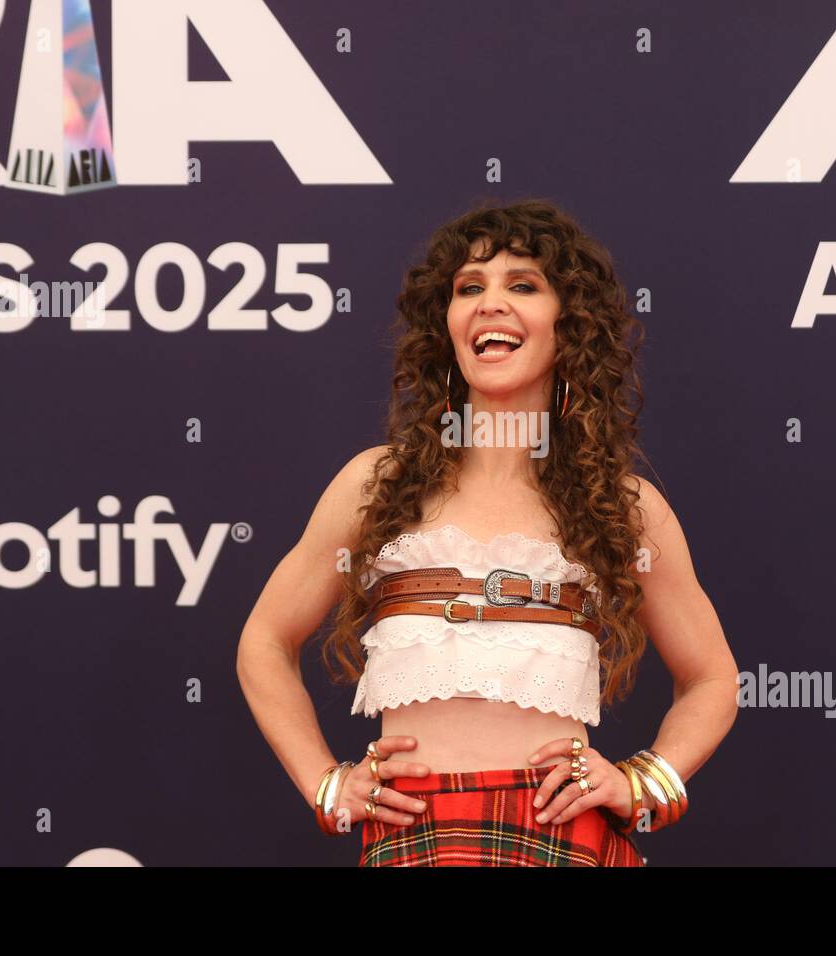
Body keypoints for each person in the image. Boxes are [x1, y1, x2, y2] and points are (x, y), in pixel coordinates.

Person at [236, 198, 738, 866]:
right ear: (444, 327)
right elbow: (264, 641)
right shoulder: (373, 486)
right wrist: (327, 787)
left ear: (572, 326)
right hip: (412, 845)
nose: (489, 303)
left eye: (522, 286)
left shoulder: (625, 508)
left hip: (562, 843)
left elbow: (713, 678)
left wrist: (645, 783)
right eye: (469, 288)